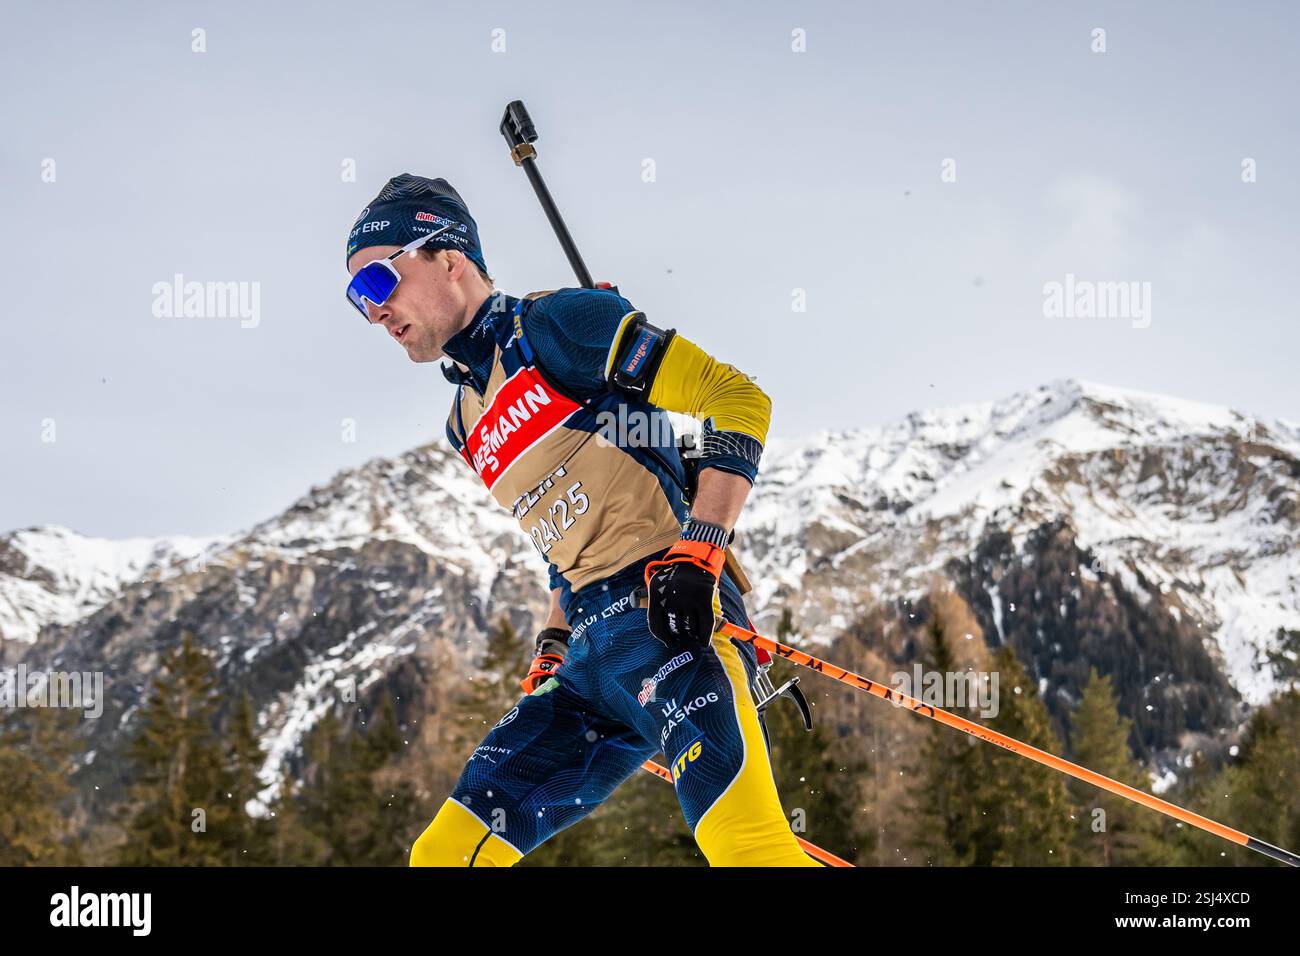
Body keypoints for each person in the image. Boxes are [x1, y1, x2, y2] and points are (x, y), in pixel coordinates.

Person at [343, 173, 819, 867]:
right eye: (357, 299)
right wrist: (553, 641)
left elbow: (736, 397)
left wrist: (703, 551)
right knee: (443, 856)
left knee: (747, 851)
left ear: (450, 258)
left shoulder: (558, 325)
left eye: (379, 282)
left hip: (673, 623)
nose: (373, 311)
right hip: (591, 666)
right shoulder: (464, 419)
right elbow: (560, 540)